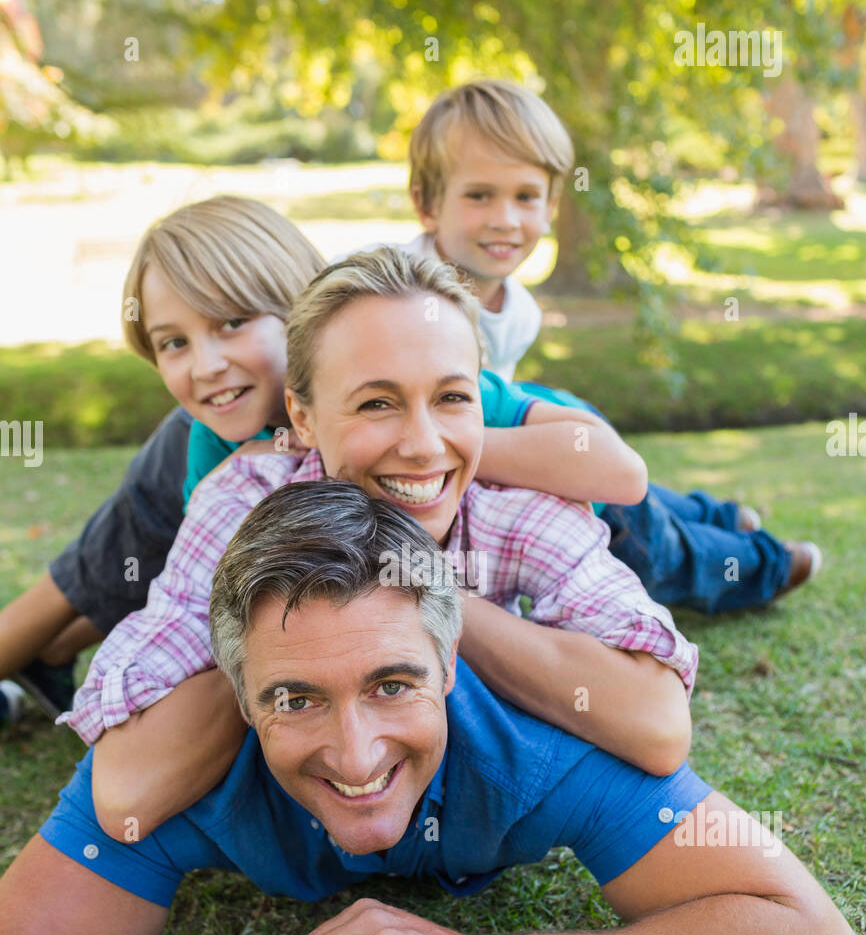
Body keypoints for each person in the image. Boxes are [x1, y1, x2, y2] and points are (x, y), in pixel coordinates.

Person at [1, 479, 861, 935]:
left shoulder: (539, 746)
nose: (355, 751)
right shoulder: (173, 770)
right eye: (294, 698)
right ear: (236, 695)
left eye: (392, 685)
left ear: (453, 666)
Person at [61, 248, 697, 844]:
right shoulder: (242, 505)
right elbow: (128, 795)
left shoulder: (516, 509)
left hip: (472, 830)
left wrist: (422, 592)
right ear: (302, 419)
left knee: (694, 545)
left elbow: (659, 726)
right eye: (376, 404)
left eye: (451, 398)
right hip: (300, 856)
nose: (423, 445)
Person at [379, 76, 821, 612]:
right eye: (479, 196)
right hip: (479, 448)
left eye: (526, 196)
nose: (506, 219)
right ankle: (742, 543)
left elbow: (497, 408)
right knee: (624, 514)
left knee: (615, 497)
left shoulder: (518, 310)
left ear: (550, 206)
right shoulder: (397, 292)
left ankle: (739, 542)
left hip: (513, 432)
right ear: (427, 204)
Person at [0, 196, 325, 725]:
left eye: (231, 321)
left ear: (304, 305)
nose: (206, 365)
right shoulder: (204, 445)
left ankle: (50, 658)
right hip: (176, 460)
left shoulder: (366, 385)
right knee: (85, 581)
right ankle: (35, 656)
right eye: (174, 342)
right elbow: (201, 592)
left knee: (129, 578)